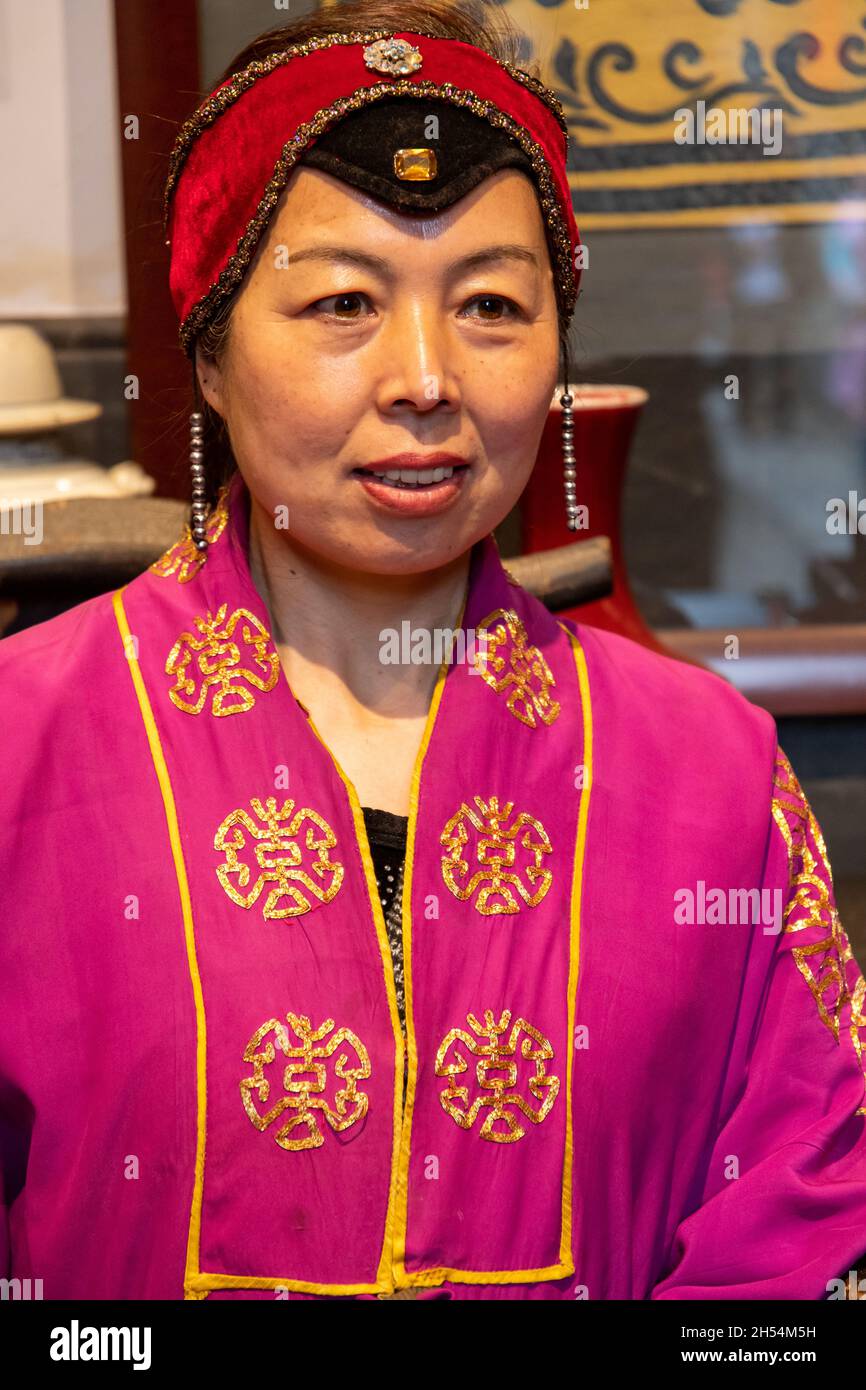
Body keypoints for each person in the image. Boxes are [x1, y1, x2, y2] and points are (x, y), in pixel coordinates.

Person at [1, 0, 864, 1302]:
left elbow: (808, 1212)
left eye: (491, 307)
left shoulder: (707, 771)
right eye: (343, 301)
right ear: (212, 359)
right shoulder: (25, 744)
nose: (424, 376)